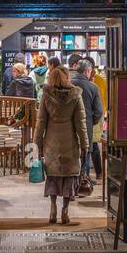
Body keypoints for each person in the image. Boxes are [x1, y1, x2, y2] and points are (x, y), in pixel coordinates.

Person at [33, 65, 88, 226]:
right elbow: (80, 122)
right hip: (70, 142)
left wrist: (37, 144)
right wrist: (85, 143)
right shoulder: (76, 95)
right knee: (68, 177)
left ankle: (52, 207)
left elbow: (40, 122)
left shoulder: (46, 95)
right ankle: (65, 210)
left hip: (51, 142)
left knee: (53, 176)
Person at [68, 54, 103, 181]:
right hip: (86, 126)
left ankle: (71, 184)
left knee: (71, 155)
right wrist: (90, 121)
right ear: (87, 71)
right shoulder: (93, 87)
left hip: (69, 126)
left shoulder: (68, 85)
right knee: (85, 155)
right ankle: (84, 182)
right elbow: (99, 111)